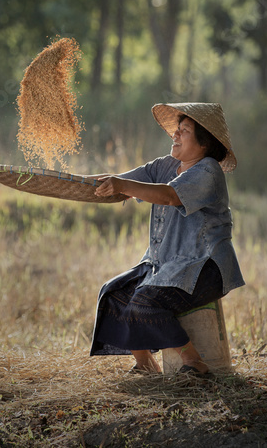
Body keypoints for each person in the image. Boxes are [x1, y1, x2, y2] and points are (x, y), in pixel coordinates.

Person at [90, 102, 244, 375]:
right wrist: (78, 183)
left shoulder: (208, 171)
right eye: (177, 129)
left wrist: (122, 185)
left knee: (144, 304)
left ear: (205, 143)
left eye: (184, 131)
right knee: (113, 294)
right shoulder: (165, 165)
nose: (175, 134)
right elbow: (118, 181)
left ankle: (194, 363)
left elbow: (169, 196)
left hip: (205, 268)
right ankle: (145, 365)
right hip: (165, 265)